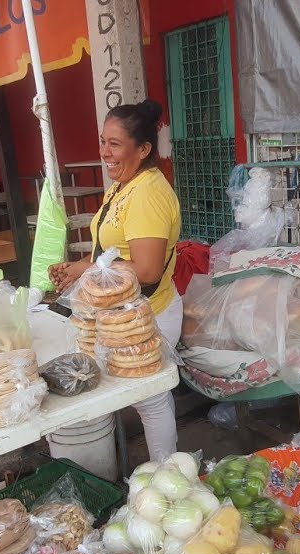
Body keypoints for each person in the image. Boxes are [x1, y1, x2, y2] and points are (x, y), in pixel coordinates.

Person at [48, 100, 182, 461]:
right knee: (125, 393)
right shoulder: (124, 184)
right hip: (118, 316)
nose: (105, 152)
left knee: (150, 400)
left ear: (143, 149)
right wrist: (79, 266)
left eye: (115, 144)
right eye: (103, 142)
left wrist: (85, 271)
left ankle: (167, 474)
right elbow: (112, 252)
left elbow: (148, 270)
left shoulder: (148, 194)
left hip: (148, 316)